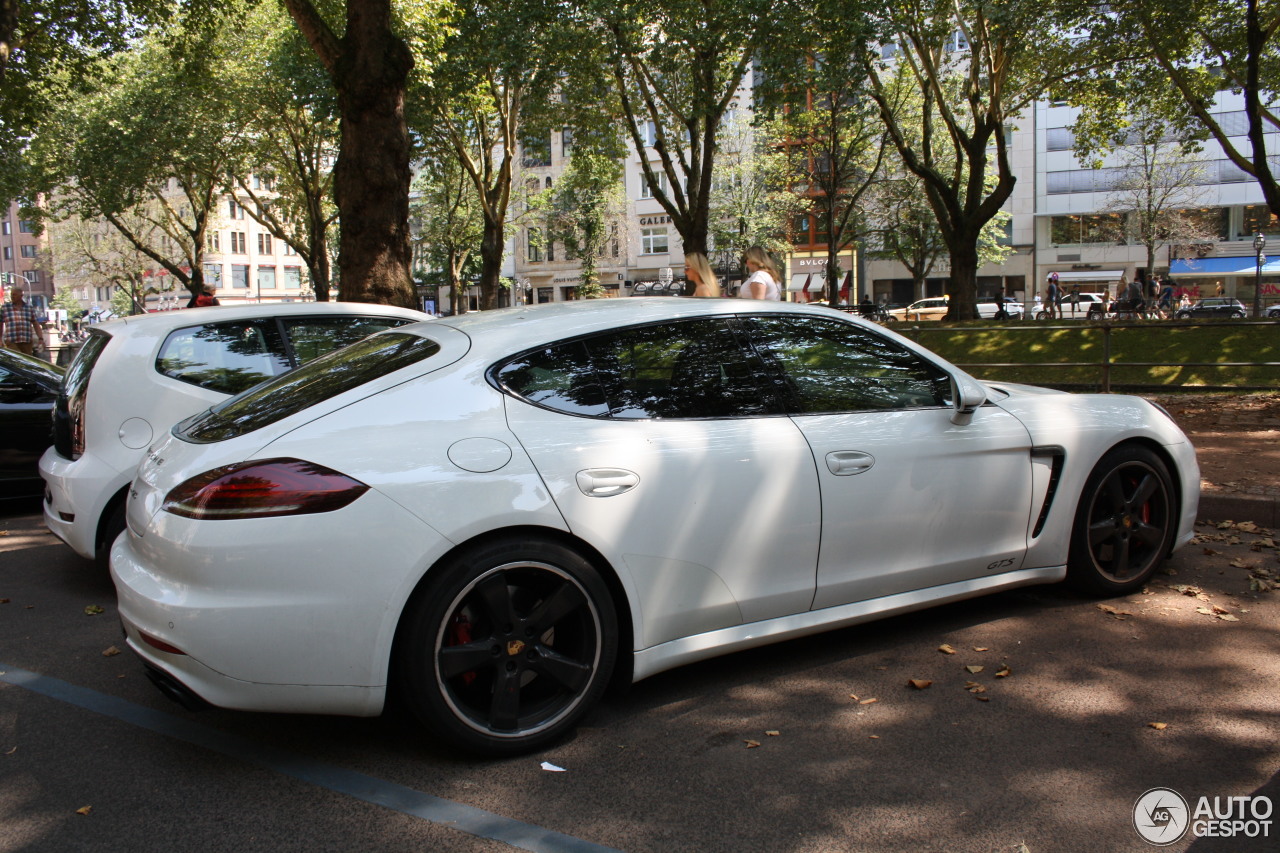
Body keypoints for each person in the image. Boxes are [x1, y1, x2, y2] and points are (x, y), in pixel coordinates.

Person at [0, 286, 44, 355]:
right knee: (15, 360)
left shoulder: (29, 308)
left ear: (21, 296)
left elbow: (36, 324)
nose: (12, 296)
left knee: (27, 362)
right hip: (12, 341)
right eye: (11, 294)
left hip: (26, 341)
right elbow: (1, 324)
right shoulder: (5, 308)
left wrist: (40, 338)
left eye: (14, 295)